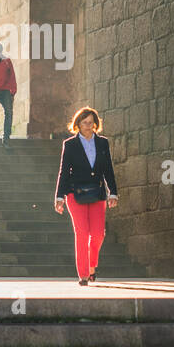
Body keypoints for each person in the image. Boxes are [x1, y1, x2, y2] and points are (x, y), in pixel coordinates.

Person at [54, 106, 118, 284]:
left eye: (91, 122)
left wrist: (113, 192)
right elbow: (64, 172)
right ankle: (83, 274)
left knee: (98, 234)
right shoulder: (70, 144)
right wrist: (59, 197)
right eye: (85, 123)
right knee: (81, 233)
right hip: (75, 194)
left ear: (95, 124)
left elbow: (108, 170)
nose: (88, 126)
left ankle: (92, 265)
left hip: (97, 192)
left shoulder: (103, 143)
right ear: (78, 124)